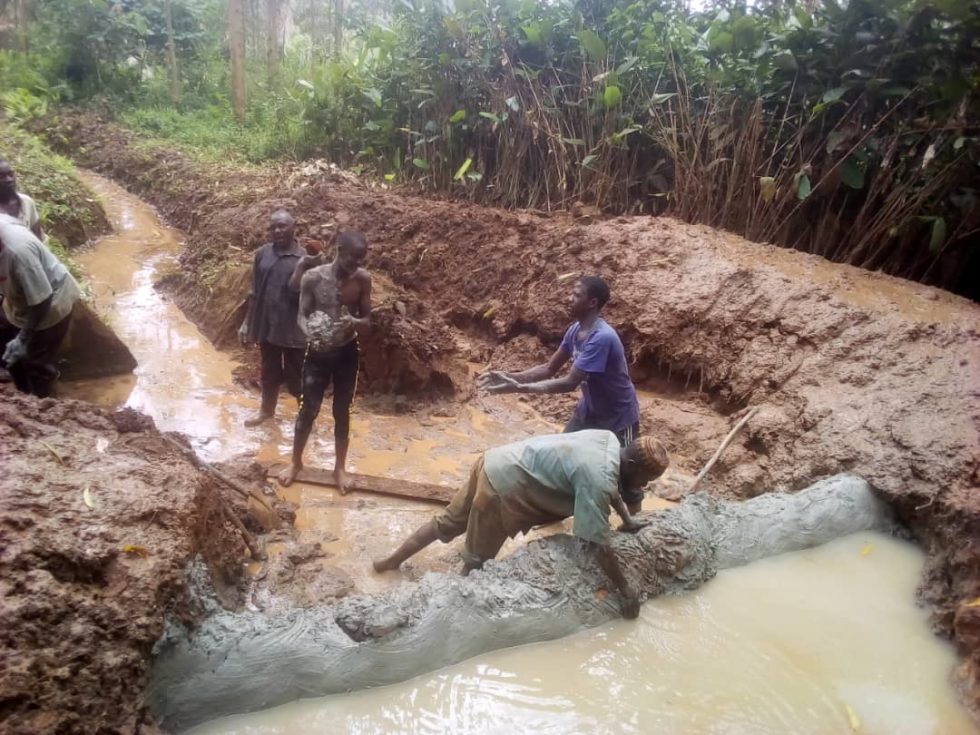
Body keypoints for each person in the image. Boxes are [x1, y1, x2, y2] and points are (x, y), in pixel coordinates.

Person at [373, 430, 669, 619]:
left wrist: (628, 521)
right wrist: (625, 590)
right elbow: (597, 543)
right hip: (502, 490)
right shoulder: (599, 480)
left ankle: (389, 562)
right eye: (645, 479)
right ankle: (442, 615)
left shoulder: (608, 440)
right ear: (630, 467)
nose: (644, 485)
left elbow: (610, 487)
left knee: (447, 523)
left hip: (495, 461)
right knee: (475, 564)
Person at [478, 276, 643, 510]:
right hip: (590, 411)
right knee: (563, 457)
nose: (569, 299)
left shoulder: (601, 338)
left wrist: (520, 388)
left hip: (618, 416)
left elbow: (569, 383)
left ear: (592, 302)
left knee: (628, 477)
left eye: (576, 295)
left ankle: (635, 528)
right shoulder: (576, 330)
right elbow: (548, 368)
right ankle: (558, 512)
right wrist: (511, 376)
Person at [277, 229, 372, 494]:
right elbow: (301, 315)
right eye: (353, 259)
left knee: (342, 411)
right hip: (318, 353)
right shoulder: (313, 278)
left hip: (346, 352)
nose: (357, 265)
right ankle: (295, 463)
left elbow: (367, 321)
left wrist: (353, 322)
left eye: (361, 260)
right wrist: (311, 333)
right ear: (339, 251)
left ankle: (339, 468)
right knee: (308, 409)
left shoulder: (362, 280)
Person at [239, 210, 308, 426]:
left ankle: (306, 418)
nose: (277, 231)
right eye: (274, 227)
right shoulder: (262, 254)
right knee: (269, 373)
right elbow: (254, 291)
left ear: (293, 227)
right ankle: (266, 413)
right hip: (268, 326)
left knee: (298, 378)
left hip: (294, 330)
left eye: (282, 226)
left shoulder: (305, 258)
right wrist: (246, 323)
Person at [0, 214, 80, 397]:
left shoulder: (19, 254)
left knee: (35, 362)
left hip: (50, 302)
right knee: (13, 359)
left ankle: (46, 406)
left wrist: (22, 338)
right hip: (18, 298)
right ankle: (23, 397)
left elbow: (42, 299)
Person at [0, 160, 44, 240]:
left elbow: (38, 237)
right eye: (1, 177)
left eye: (11, 174)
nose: (9, 180)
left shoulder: (26, 202)